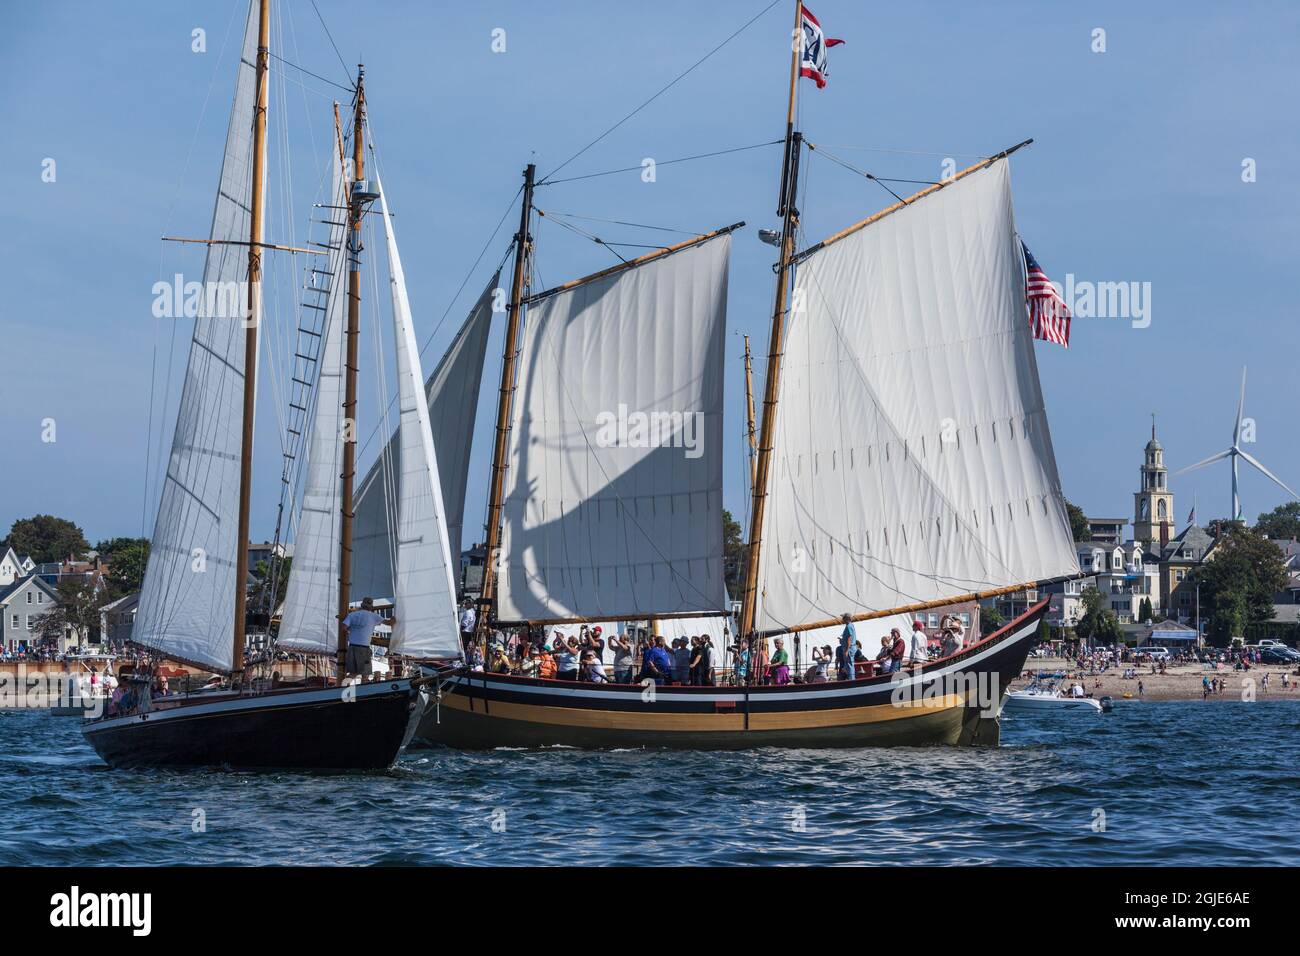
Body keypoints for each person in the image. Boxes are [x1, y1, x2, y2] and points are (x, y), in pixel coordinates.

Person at [343, 597, 391, 679]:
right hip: (363, 648)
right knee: (365, 674)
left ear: (361, 605)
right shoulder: (373, 616)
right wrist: (394, 618)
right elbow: (389, 623)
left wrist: (351, 632)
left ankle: (342, 687)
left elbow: (344, 627)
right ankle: (362, 690)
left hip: (352, 647)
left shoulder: (352, 615)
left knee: (353, 673)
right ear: (371, 606)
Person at [838, 615, 858, 681]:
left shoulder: (848, 626)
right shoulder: (851, 625)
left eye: (843, 618)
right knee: (848, 664)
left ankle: (851, 679)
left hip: (849, 648)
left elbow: (849, 638)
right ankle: (849, 677)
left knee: (849, 664)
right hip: (851, 647)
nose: (842, 620)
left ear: (847, 619)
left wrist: (846, 650)